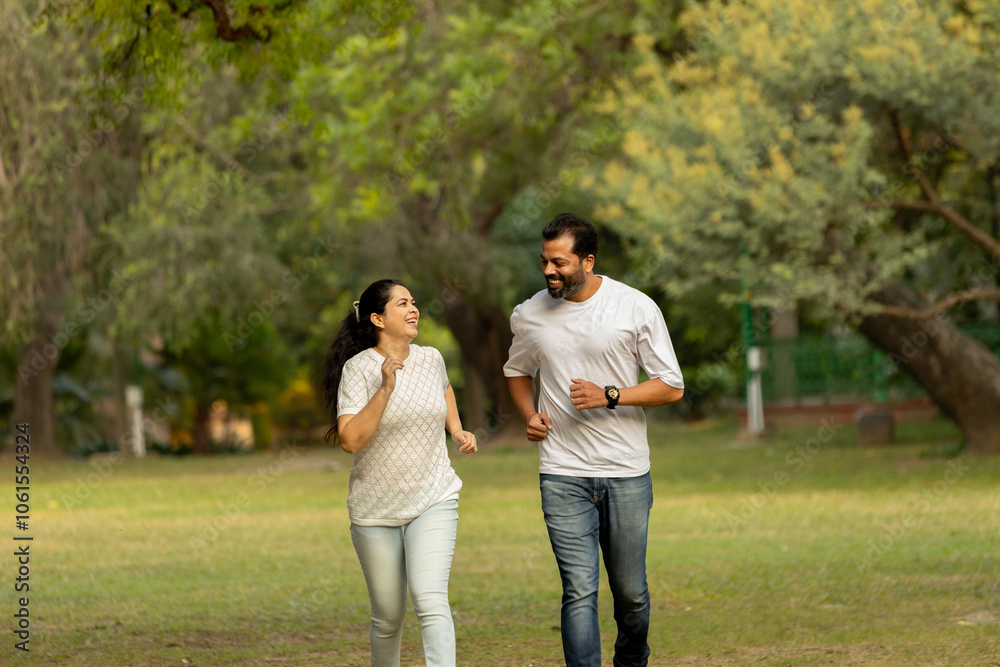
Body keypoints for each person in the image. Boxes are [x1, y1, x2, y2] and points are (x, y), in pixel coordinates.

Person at [503, 213, 684, 667]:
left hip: (625, 471)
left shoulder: (634, 307)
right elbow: (516, 370)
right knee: (579, 590)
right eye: (544, 262)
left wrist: (611, 395)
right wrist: (529, 415)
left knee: (631, 594)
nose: (549, 271)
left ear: (588, 259)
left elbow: (671, 385)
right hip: (562, 473)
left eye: (559, 263)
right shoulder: (530, 315)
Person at [319, 278, 477, 667]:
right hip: (376, 510)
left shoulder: (431, 358)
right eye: (402, 304)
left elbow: (444, 389)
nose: (413, 309)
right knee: (388, 616)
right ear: (377, 318)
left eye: (413, 302)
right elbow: (351, 440)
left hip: (433, 497)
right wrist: (386, 387)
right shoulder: (358, 370)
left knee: (430, 599)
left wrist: (456, 429)